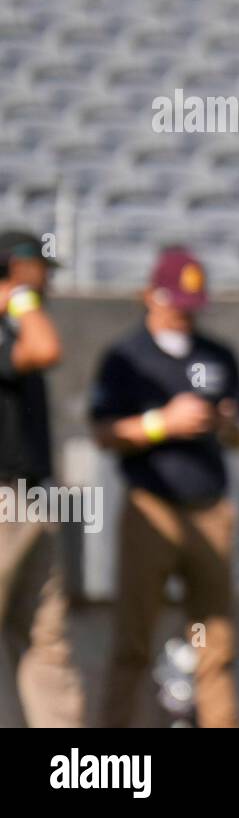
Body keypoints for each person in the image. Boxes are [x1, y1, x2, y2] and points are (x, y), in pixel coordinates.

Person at [89, 246, 239, 727]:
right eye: (175, 301)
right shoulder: (125, 357)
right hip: (151, 508)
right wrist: (162, 423)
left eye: (190, 304)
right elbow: (104, 433)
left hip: (210, 508)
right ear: (150, 295)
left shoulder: (219, 355)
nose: (183, 313)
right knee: (132, 644)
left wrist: (225, 424)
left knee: (215, 647)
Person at [0, 229, 85, 727]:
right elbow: (46, 347)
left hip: (32, 496)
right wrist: (22, 297)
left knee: (45, 641)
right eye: (41, 269)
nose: (49, 281)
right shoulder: (18, 319)